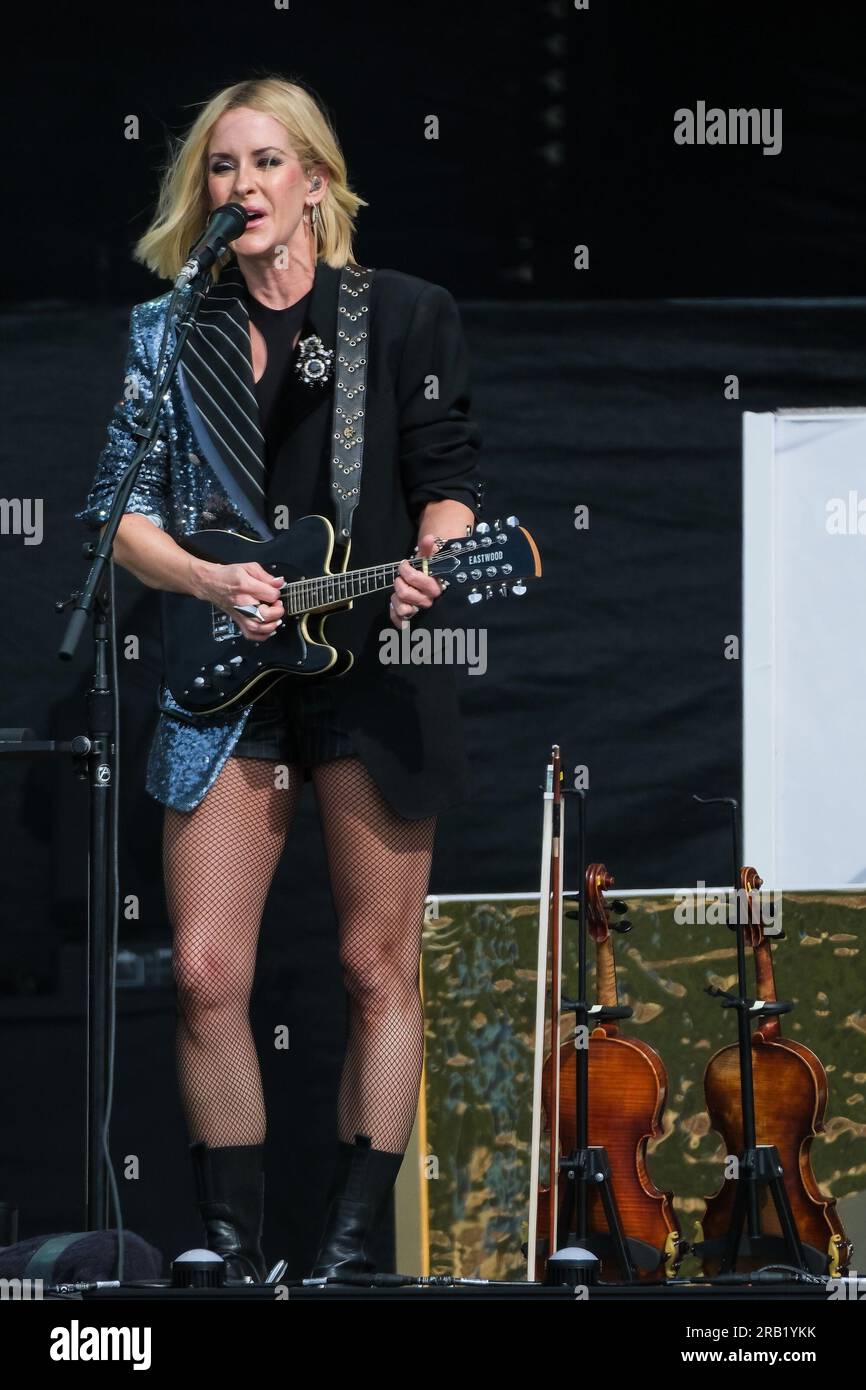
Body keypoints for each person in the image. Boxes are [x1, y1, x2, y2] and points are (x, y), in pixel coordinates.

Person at [76, 75, 484, 1282]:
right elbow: (119, 520)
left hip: (367, 669)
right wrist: (209, 583)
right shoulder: (169, 334)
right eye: (219, 167)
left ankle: (349, 1257)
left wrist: (431, 563)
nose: (240, 186)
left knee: (375, 966)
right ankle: (232, 1255)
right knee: (205, 970)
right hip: (228, 674)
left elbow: (447, 475)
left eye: (264, 163)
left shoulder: (401, 316)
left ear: (314, 179)